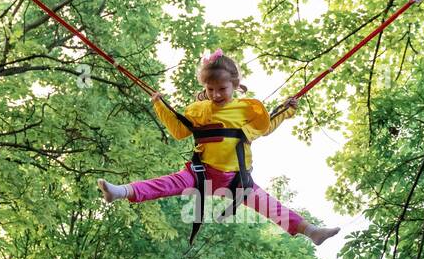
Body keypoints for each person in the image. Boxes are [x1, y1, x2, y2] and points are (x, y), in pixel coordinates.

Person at [97, 50, 340, 245]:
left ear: (235, 85)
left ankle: (311, 232)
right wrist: (160, 106)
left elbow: (264, 128)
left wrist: (286, 111)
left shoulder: (246, 109)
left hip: (237, 179)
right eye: (210, 89)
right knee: (166, 184)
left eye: (222, 89)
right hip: (200, 173)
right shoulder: (198, 110)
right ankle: (120, 191)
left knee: (270, 206)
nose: (215, 94)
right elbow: (180, 129)